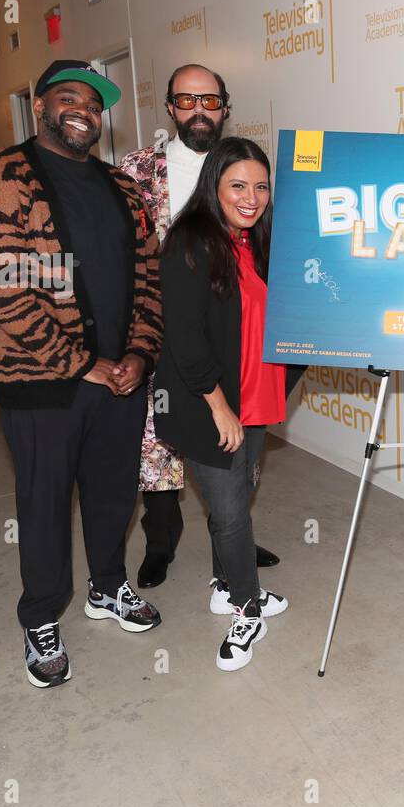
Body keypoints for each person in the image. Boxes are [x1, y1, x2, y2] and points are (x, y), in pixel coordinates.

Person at [0, 60, 163, 689]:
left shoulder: (123, 187)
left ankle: (108, 586)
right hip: (38, 380)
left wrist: (139, 354)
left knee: (111, 493)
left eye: (94, 103)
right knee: (44, 502)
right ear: (40, 106)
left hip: (120, 379)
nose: (83, 109)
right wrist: (82, 363)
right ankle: (41, 617)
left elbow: (148, 280)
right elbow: (0, 285)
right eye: (68, 98)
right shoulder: (1, 173)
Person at [121, 64, 283, 589]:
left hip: (226, 352)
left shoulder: (255, 224)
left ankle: (230, 551)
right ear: (169, 106)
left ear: (224, 107)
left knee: (229, 485)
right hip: (160, 335)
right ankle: (163, 547)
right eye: (187, 100)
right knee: (157, 455)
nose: (198, 109)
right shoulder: (138, 169)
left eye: (209, 101)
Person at [154, 137, 289, 671]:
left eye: (260, 186)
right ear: (214, 185)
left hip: (255, 395)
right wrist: (218, 406)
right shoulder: (190, 242)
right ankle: (246, 609)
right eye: (238, 185)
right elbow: (185, 338)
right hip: (210, 402)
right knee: (231, 514)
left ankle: (223, 585)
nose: (251, 197)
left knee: (238, 494)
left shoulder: (257, 240)